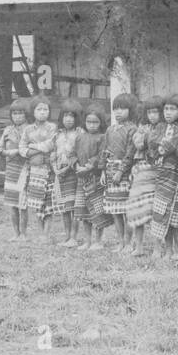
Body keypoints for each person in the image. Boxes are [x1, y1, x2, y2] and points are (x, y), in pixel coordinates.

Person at [149, 94, 178, 260]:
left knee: (176, 215)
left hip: (177, 176)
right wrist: (162, 147)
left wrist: (165, 146)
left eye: (173, 109)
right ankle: (161, 249)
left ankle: (177, 249)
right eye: (166, 109)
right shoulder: (159, 127)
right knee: (159, 212)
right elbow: (151, 144)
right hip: (162, 175)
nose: (168, 112)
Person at [125, 96, 165, 256]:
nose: (152, 116)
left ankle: (157, 247)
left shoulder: (165, 128)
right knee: (137, 209)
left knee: (157, 211)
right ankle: (139, 246)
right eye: (150, 112)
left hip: (158, 171)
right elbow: (139, 144)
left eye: (156, 112)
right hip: (141, 171)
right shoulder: (142, 128)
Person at [102, 93, 139, 251]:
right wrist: (104, 171)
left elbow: (130, 153)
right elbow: (106, 151)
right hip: (110, 171)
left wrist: (121, 171)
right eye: (115, 109)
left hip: (125, 173)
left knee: (126, 210)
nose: (118, 112)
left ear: (130, 110)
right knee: (115, 210)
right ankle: (120, 242)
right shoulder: (110, 129)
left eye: (122, 108)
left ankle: (129, 242)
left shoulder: (132, 129)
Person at [19, 97, 58, 241]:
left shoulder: (52, 127)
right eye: (39, 109)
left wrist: (33, 146)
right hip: (34, 170)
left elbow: (50, 145)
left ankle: (46, 234)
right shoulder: (28, 129)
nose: (42, 112)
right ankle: (40, 233)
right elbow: (22, 150)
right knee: (37, 204)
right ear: (33, 111)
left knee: (48, 204)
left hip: (49, 170)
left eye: (45, 109)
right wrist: (35, 149)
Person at [74, 104, 109, 250]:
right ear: (84, 122)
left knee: (96, 210)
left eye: (95, 122)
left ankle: (98, 241)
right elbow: (73, 153)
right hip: (81, 179)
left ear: (101, 123)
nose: (92, 125)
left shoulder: (102, 137)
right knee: (83, 211)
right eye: (89, 122)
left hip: (94, 178)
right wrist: (75, 164)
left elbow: (102, 155)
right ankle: (87, 240)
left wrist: (90, 165)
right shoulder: (80, 137)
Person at [51, 99, 83, 247]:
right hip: (60, 173)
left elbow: (79, 155)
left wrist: (67, 168)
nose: (68, 119)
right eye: (65, 116)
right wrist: (55, 169)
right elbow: (52, 153)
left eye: (72, 116)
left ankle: (74, 237)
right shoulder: (58, 134)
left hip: (73, 173)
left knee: (74, 206)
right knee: (64, 207)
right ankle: (67, 235)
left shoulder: (80, 134)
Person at [0, 98, 31, 241]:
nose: (17, 116)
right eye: (14, 113)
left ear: (26, 114)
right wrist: (6, 152)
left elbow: (32, 148)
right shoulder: (7, 130)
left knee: (22, 203)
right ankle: (15, 233)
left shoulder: (30, 129)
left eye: (20, 113)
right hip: (11, 168)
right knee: (12, 203)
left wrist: (17, 151)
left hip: (25, 167)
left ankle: (23, 234)